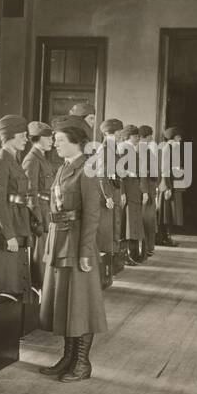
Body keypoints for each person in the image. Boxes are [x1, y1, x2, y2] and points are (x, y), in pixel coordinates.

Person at [38, 121, 108, 382]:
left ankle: (82, 363)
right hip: (61, 242)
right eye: (55, 140)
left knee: (82, 305)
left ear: (77, 142)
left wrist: (86, 253)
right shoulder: (64, 168)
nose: (55, 144)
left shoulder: (87, 170)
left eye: (60, 140)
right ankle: (68, 357)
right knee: (66, 303)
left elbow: (91, 215)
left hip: (78, 245)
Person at [0, 114, 34, 298]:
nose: (26, 140)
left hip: (15, 221)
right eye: (22, 136)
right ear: (10, 137)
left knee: (12, 280)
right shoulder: (2, 161)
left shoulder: (13, 159)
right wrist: (9, 235)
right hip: (4, 228)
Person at [86, 118, 123, 288]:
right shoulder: (105, 149)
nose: (121, 135)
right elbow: (101, 175)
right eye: (119, 132)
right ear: (115, 133)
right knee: (104, 235)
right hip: (105, 197)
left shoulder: (112, 148)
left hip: (113, 192)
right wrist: (108, 196)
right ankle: (101, 276)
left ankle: (108, 274)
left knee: (111, 233)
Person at [23, 120, 57, 272]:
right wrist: (37, 220)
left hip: (47, 210)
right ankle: (41, 290)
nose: (52, 141)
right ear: (37, 138)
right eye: (48, 137)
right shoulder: (32, 160)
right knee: (41, 254)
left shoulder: (42, 158)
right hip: (40, 214)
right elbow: (30, 194)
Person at [119, 124, 146, 265]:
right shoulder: (124, 149)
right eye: (136, 136)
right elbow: (120, 174)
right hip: (128, 190)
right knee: (128, 224)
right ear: (128, 136)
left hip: (134, 190)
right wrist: (122, 192)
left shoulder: (132, 149)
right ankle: (127, 255)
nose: (138, 138)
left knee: (133, 223)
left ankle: (133, 254)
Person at [157, 125, 186, 246]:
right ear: (173, 137)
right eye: (178, 137)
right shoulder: (167, 148)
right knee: (166, 211)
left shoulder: (173, 148)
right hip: (168, 182)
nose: (180, 139)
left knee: (170, 211)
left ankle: (166, 237)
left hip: (174, 181)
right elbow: (164, 168)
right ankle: (164, 238)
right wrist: (167, 186)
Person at [138, 124, 159, 257]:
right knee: (147, 220)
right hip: (147, 190)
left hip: (147, 188)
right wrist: (145, 191)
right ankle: (147, 248)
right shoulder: (144, 151)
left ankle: (147, 247)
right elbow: (144, 174)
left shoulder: (144, 150)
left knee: (147, 219)